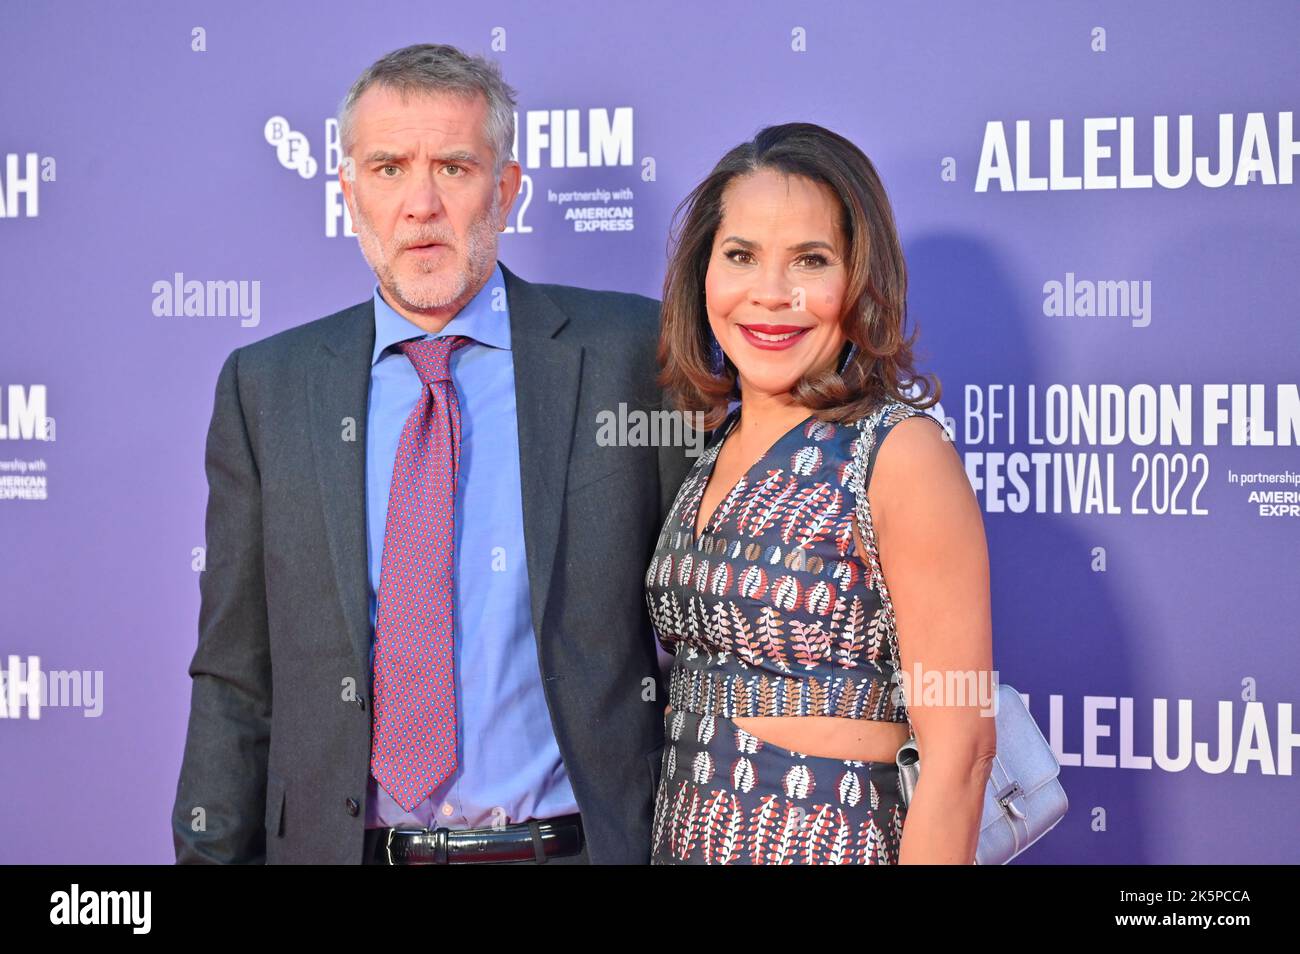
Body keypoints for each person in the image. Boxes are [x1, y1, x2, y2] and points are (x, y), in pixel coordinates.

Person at [171, 43, 690, 865]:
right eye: (387, 168)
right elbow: (236, 676)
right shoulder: (267, 389)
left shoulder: (631, 353)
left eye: (454, 166)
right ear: (348, 194)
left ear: (508, 190)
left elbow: (704, 636)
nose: (421, 204)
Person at [646, 122, 995, 864]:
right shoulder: (710, 449)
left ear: (859, 279)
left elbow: (961, 752)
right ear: (702, 276)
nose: (770, 294)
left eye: (810, 260)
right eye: (740, 256)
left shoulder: (899, 452)